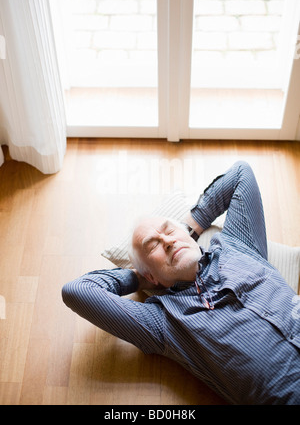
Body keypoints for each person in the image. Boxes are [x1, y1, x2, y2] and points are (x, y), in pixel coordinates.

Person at [62, 161, 300, 405]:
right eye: (152, 245)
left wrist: (190, 225)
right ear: (151, 277)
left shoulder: (238, 244)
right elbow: (77, 291)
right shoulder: (164, 322)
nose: (167, 240)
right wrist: (138, 277)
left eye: (170, 230)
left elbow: (241, 174)